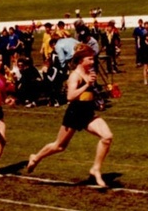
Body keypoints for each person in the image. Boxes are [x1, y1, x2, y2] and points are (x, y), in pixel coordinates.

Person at [26, 43, 113, 188]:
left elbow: (91, 92)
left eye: (93, 59)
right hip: (75, 113)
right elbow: (70, 96)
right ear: (81, 60)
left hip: (88, 112)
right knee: (59, 146)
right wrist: (86, 85)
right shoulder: (75, 76)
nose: (92, 62)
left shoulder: (90, 72)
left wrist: (100, 97)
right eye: (89, 59)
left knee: (107, 137)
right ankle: (36, 157)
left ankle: (96, 168)